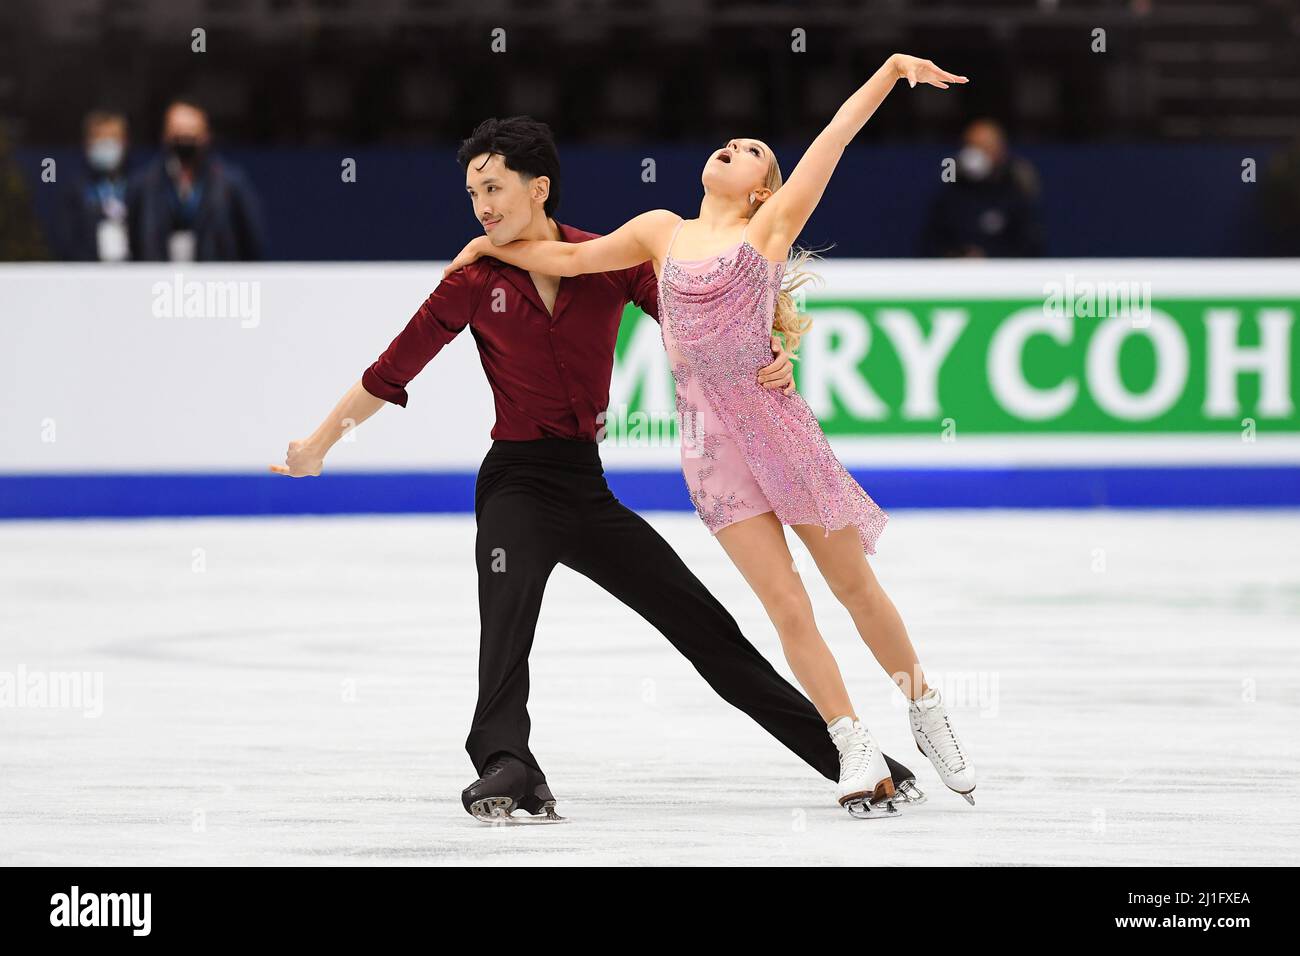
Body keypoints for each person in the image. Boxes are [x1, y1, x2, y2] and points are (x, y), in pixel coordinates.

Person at [271, 116, 922, 822]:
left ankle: (853, 758)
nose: (482, 205)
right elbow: (390, 370)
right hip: (516, 484)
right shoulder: (473, 280)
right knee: (506, 627)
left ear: (538, 188)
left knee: (707, 629)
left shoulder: (607, 260)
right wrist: (317, 445)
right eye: (472, 194)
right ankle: (507, 764)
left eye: (493, 188)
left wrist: (774, 348)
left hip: (586, 488)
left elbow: (704, 319)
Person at [444, 57, 977, 809]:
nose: (733, 145)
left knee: (853, 587)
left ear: (764, 185)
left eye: (753, 149)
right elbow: (566, 256)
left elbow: (835, 137)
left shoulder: (769, 227)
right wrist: (487, 246)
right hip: (713, 455)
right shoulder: (659, 232)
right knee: (786, 607)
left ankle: (925, 710)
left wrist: (889, 73)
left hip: (780, 438)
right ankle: (853, 746)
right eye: (729, 140)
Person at [127, 98, 266, 261]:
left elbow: (251, 243)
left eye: (192, 133)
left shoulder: (230, 184)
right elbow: (132, 242)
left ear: (206, 136)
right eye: (178, 133)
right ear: (165, 135)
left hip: (216, 282)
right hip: (158, 282)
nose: (185, 140)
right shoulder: (144, 184)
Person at [920, 117, 1044, 258]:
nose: (975, 153)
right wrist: (956, 257)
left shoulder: (1015, 195)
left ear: (999, 150)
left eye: (983, 147)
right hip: (956, 275)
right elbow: (929, 244)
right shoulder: (950, 195)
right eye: (971, 146)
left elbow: (1031, 248)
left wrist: (988, 258)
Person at [54, 111, 131, 261]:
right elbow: (65, 241)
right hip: (86, 274)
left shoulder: (138, 186)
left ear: (125, 142)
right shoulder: (73, 190)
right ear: (87, 144)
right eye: (99, 138)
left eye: (112, 138)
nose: (106, 144)